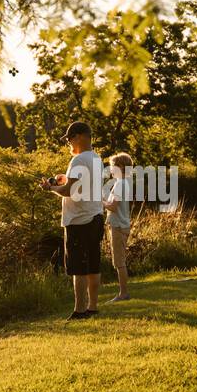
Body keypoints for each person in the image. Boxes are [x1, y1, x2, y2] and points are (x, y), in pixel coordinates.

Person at [40, 121, 104, 320]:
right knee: (93, 264)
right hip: (96, 217)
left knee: (78, 267)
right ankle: (92, 307)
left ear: (79, 136)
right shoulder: (96, 158)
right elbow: (78, 185)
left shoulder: (77, 161)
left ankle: (79, 311)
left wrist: (50, 188)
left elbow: (69, 191)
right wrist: (61, 181)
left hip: (79, 220)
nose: (68, 142)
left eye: (69, 138)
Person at [103, 152, 132, 302]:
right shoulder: (121, 183)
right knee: (119, 261)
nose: (111, 169)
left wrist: (100, 201)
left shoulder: (121, 184)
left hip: (119, 226)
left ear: (121, 167)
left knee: (119, 262)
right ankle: (123, 293)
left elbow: (113, 207)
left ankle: (123, 294)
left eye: (113, 166)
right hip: (119, 225)